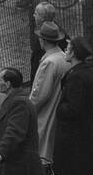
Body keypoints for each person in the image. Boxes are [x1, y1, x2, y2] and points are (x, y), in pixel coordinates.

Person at [54, 37, 93, 175]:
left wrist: (58, 108)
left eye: (67, 48)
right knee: (85, 169)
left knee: (74, 170)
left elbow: (72, 108)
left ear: (73, 53)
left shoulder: (75, 77)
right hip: (85, 129)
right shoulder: (89, 74)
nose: (65, 50)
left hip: (73, 133)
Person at [29, 22, 71, 162]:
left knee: (41, 152)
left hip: (46, 114)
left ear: (43, 41)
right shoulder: (63, 57)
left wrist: (29, 111)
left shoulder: (49, 62)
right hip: (57, 109)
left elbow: (40, 95)